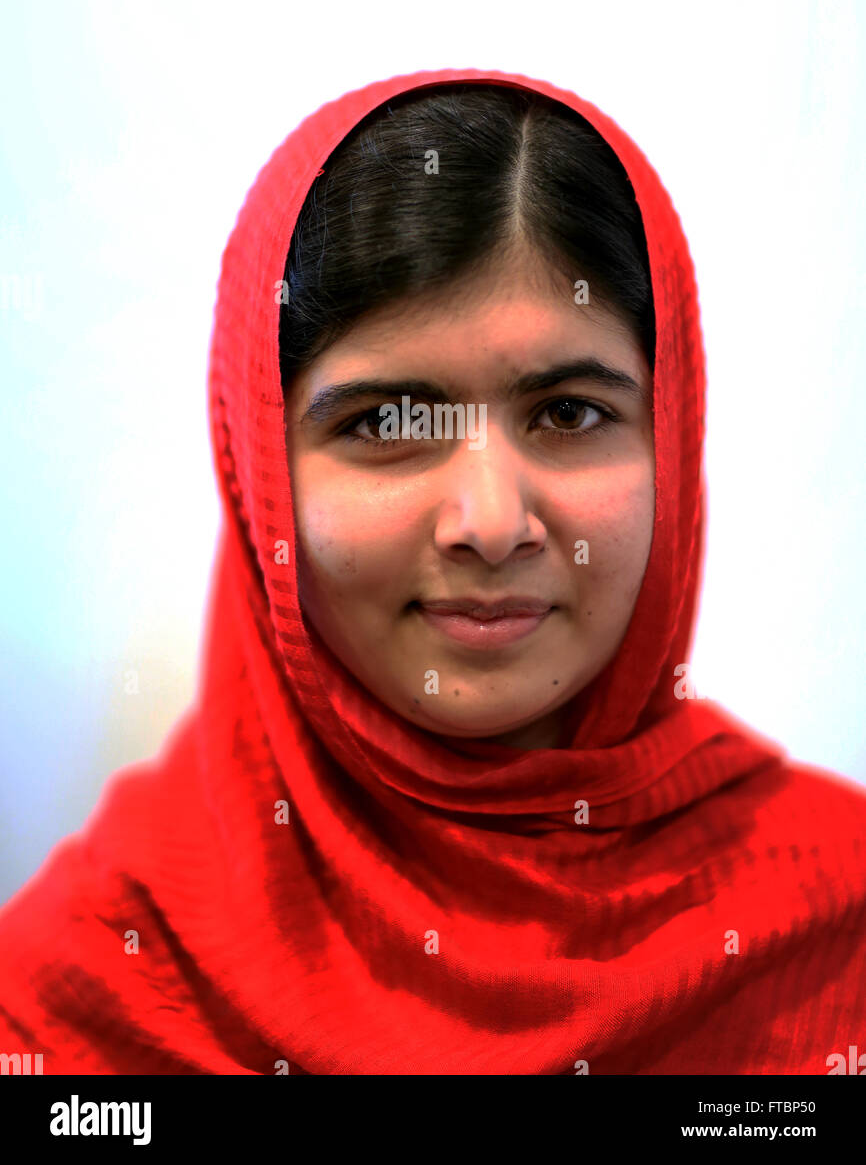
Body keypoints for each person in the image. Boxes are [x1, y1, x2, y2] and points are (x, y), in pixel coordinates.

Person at [0, 66, 863, 1075]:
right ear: (258, 468)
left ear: (668, 431)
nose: (490, 524)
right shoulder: (89, 986)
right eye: (387, 425)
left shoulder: (830, 923)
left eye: (569, 414)